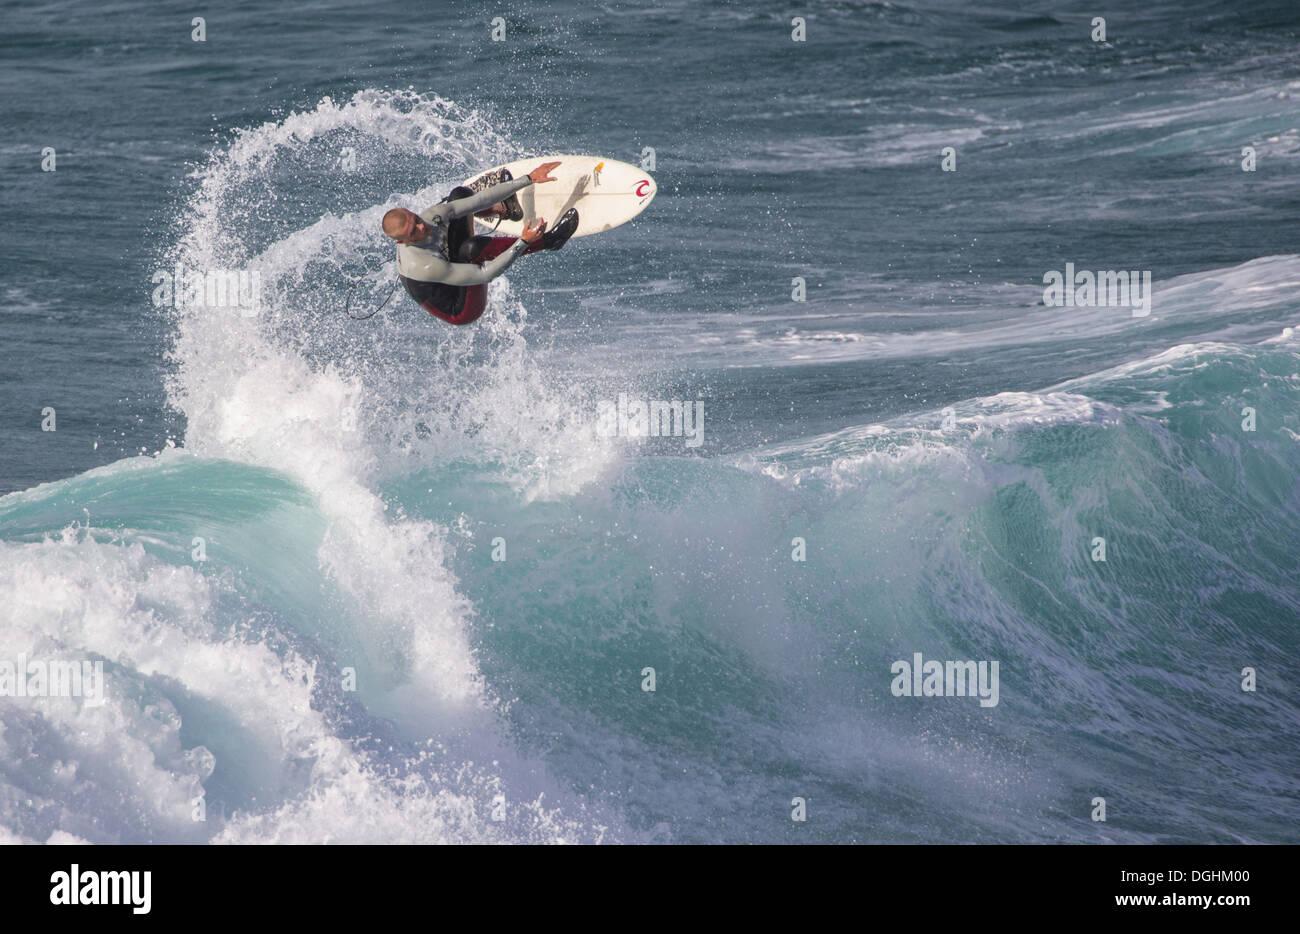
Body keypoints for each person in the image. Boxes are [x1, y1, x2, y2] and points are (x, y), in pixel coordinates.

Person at [381, 161, 579, 325]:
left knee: (459, 195)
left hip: (445, 259)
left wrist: (528, 179)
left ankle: (504, 209)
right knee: (471, 249)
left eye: (416, 220)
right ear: (400, 241)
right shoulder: (423, 265)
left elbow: (479, 200)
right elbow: (486, 274)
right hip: (460, 307)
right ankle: (550, 241)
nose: (422, 227)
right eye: (413, 231)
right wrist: (524, 242)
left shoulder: (430, 218)